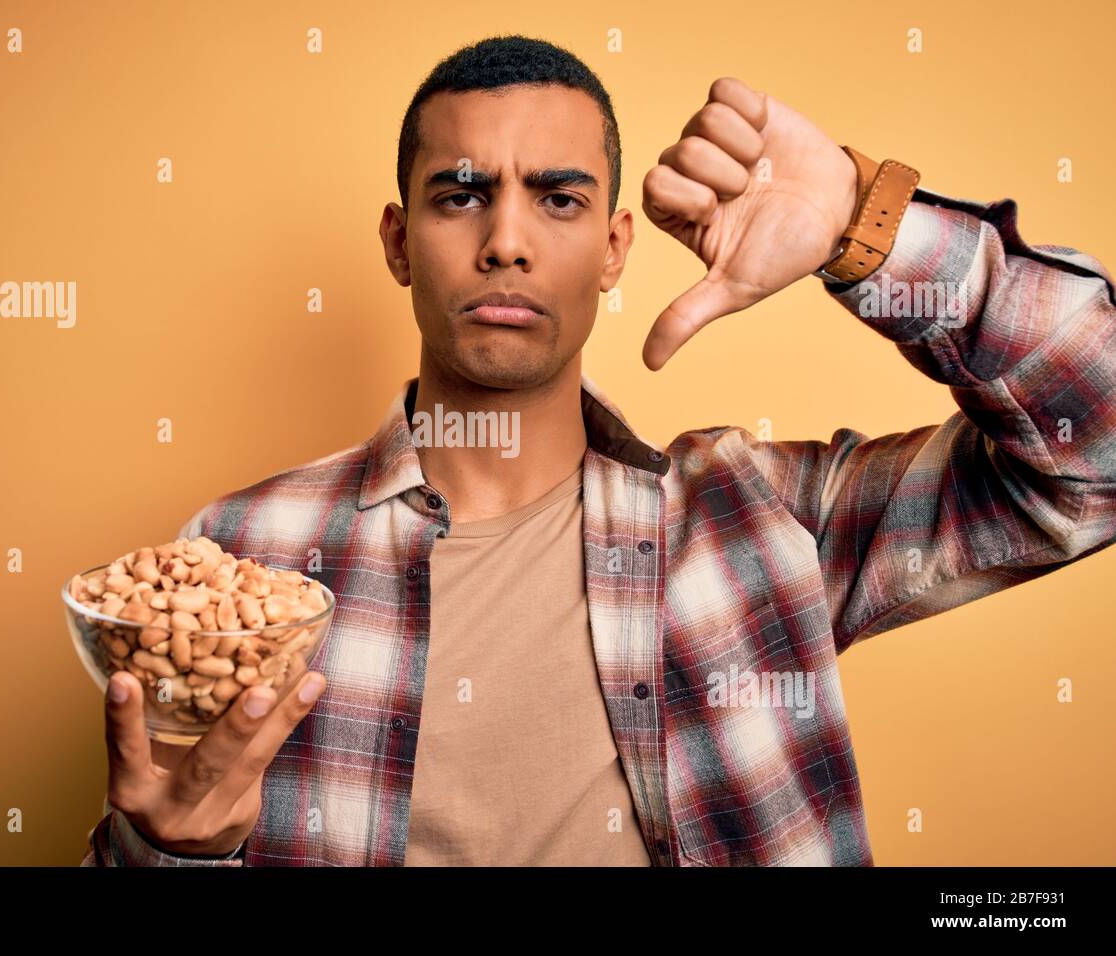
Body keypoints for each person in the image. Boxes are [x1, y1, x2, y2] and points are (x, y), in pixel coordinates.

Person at [83, 34, 1116, 867]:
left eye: (559, 198)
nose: (507, 241)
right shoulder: (241, 554)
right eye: (460, 194)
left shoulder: (756, 521)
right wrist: (168, 852)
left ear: (616, 246)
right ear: (398, 242)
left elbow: (1094, 458)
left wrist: (861, 221)